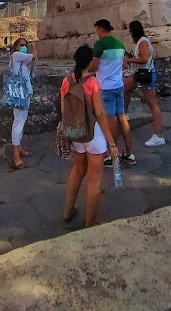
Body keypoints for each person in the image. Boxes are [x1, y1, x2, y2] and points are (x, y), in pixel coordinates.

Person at [61, 45, 119, 228]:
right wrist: (112, 143)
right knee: (94, 179)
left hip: (75, 132)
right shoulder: (93, 82)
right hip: (93, 134)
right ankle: (90, 224)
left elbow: (64, 110)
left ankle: (67, 211)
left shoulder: (66, 81)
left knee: (78, 170)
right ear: (90, 61)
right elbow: (101, 115)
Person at [91, 19, 136, 166]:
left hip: (105, 87)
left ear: (101, 29)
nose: (97, 33)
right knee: (122, 118)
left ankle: (113, 153)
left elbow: (93, 65)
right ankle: (130, 153)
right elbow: (124, 64)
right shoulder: (119, 44)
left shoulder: (100, 44)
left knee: (110, 120)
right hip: (118, 85)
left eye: (97, 30)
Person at [124, 20, 165, 147]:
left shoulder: (143, 42)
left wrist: (128, 59)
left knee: (151, 102)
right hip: (138, 73)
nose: (129, 32)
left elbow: (144, 58)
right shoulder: (137, 43)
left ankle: (158, 135)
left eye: (130, 30)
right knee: (124, 89)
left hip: (145, 73)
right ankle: (123, 117)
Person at [9, 36, 37, 170]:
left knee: (21, 120)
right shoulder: (16, 55)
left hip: (25, 92)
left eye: (25, 44)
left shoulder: (21, 61)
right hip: (19, 92)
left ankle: (19, 148)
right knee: (18, 122)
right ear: (16, 47)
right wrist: (33, 46)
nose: (23, 46)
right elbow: (34, 55)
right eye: (21, 45)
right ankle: (15, 155)